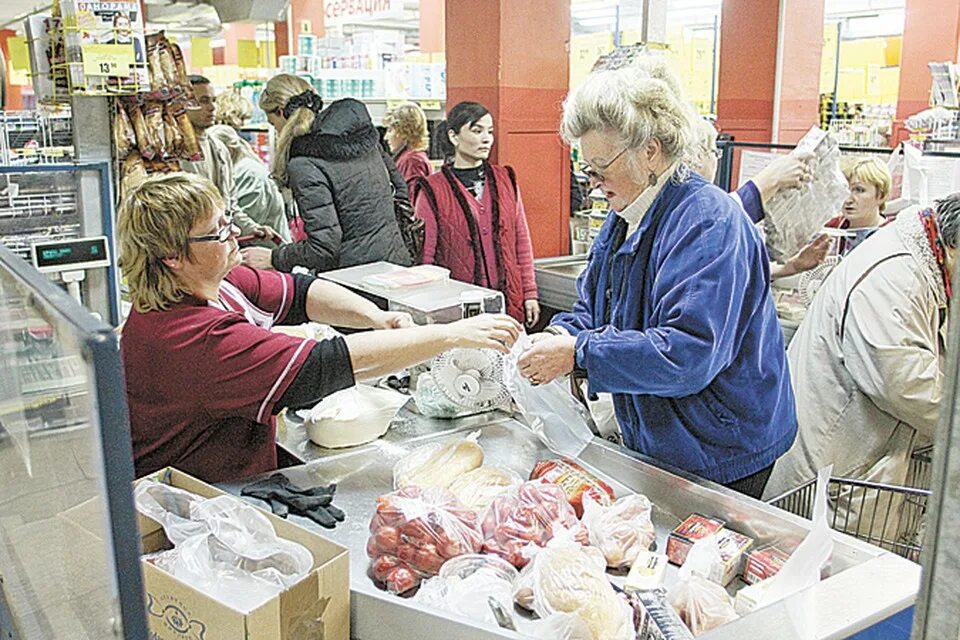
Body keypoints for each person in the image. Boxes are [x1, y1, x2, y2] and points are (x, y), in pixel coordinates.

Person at [118, 173, 522, 483]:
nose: (234, 234)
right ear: (172, 256)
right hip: (199, 499)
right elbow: (322, 365)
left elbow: (301, 292)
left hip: (229, 476)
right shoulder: (192, 338)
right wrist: (451, 335)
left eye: (228, 222)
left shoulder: (218, 284)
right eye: (218, 232)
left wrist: (375, 318)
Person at [518, 66, 797, 499]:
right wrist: (559, 335)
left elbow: (690, 353)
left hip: (719, 448)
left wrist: (579, 354)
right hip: (663, 435)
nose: (592, 184)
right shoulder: (623, 217)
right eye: (586, 169)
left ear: (650, 151)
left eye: (600, 167)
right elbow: (594, 308)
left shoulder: (708, 222)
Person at [763, 196, 958, 532]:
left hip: (859, 461)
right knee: (821, 570)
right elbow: (905, 383)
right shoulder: (896, 277)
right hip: (836, 471)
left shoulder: (926, 263)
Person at [243, 74, 412, 273]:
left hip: (352, 278)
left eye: (273, 123)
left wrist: (274, 257)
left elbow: (324, 247)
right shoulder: (362, 137)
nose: (277, 131)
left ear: (280, 112)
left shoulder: (304, 163)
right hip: (395, 263)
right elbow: (400, 190)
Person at [413, 102, 540, 327]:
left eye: (490, 131)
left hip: (506, 302)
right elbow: (426, 258)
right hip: (456, 309)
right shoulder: (432, 190)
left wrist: (529, 292)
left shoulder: (505, 179)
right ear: (454, 136)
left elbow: (521, 240)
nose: (487, 139)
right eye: (477, 130)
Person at [693, 118, 832, 280]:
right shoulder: (696, 212)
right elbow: (721, 222)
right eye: (714, 152)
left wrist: (790, 267)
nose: (716, 160)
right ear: (696, 155)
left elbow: (725, 269)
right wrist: (771, 178)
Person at [181, 75, 270, 240]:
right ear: (182, 105)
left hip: (216, 244)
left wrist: (253, 228)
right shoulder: (174, 152)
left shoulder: (220, 148)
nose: (212, 107)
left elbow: (230, 206)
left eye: (213, 100)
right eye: (203, 101)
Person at [207, 124, 291, 246]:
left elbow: (241, 229)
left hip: (266, 253)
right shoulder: (239, 170)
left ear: (229, 150)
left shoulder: (248, 174)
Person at [825, 157, 892, 256]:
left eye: (859, 190)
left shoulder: (892, 236)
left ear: (881, 196)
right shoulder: (831, 228)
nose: (848, 199)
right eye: (844, 189)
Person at [384, 101, 432, 193]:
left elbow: (411, 201)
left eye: (390, 130)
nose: (386, 137)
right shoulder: (412, 158)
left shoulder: (412, 161)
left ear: (404, 131)